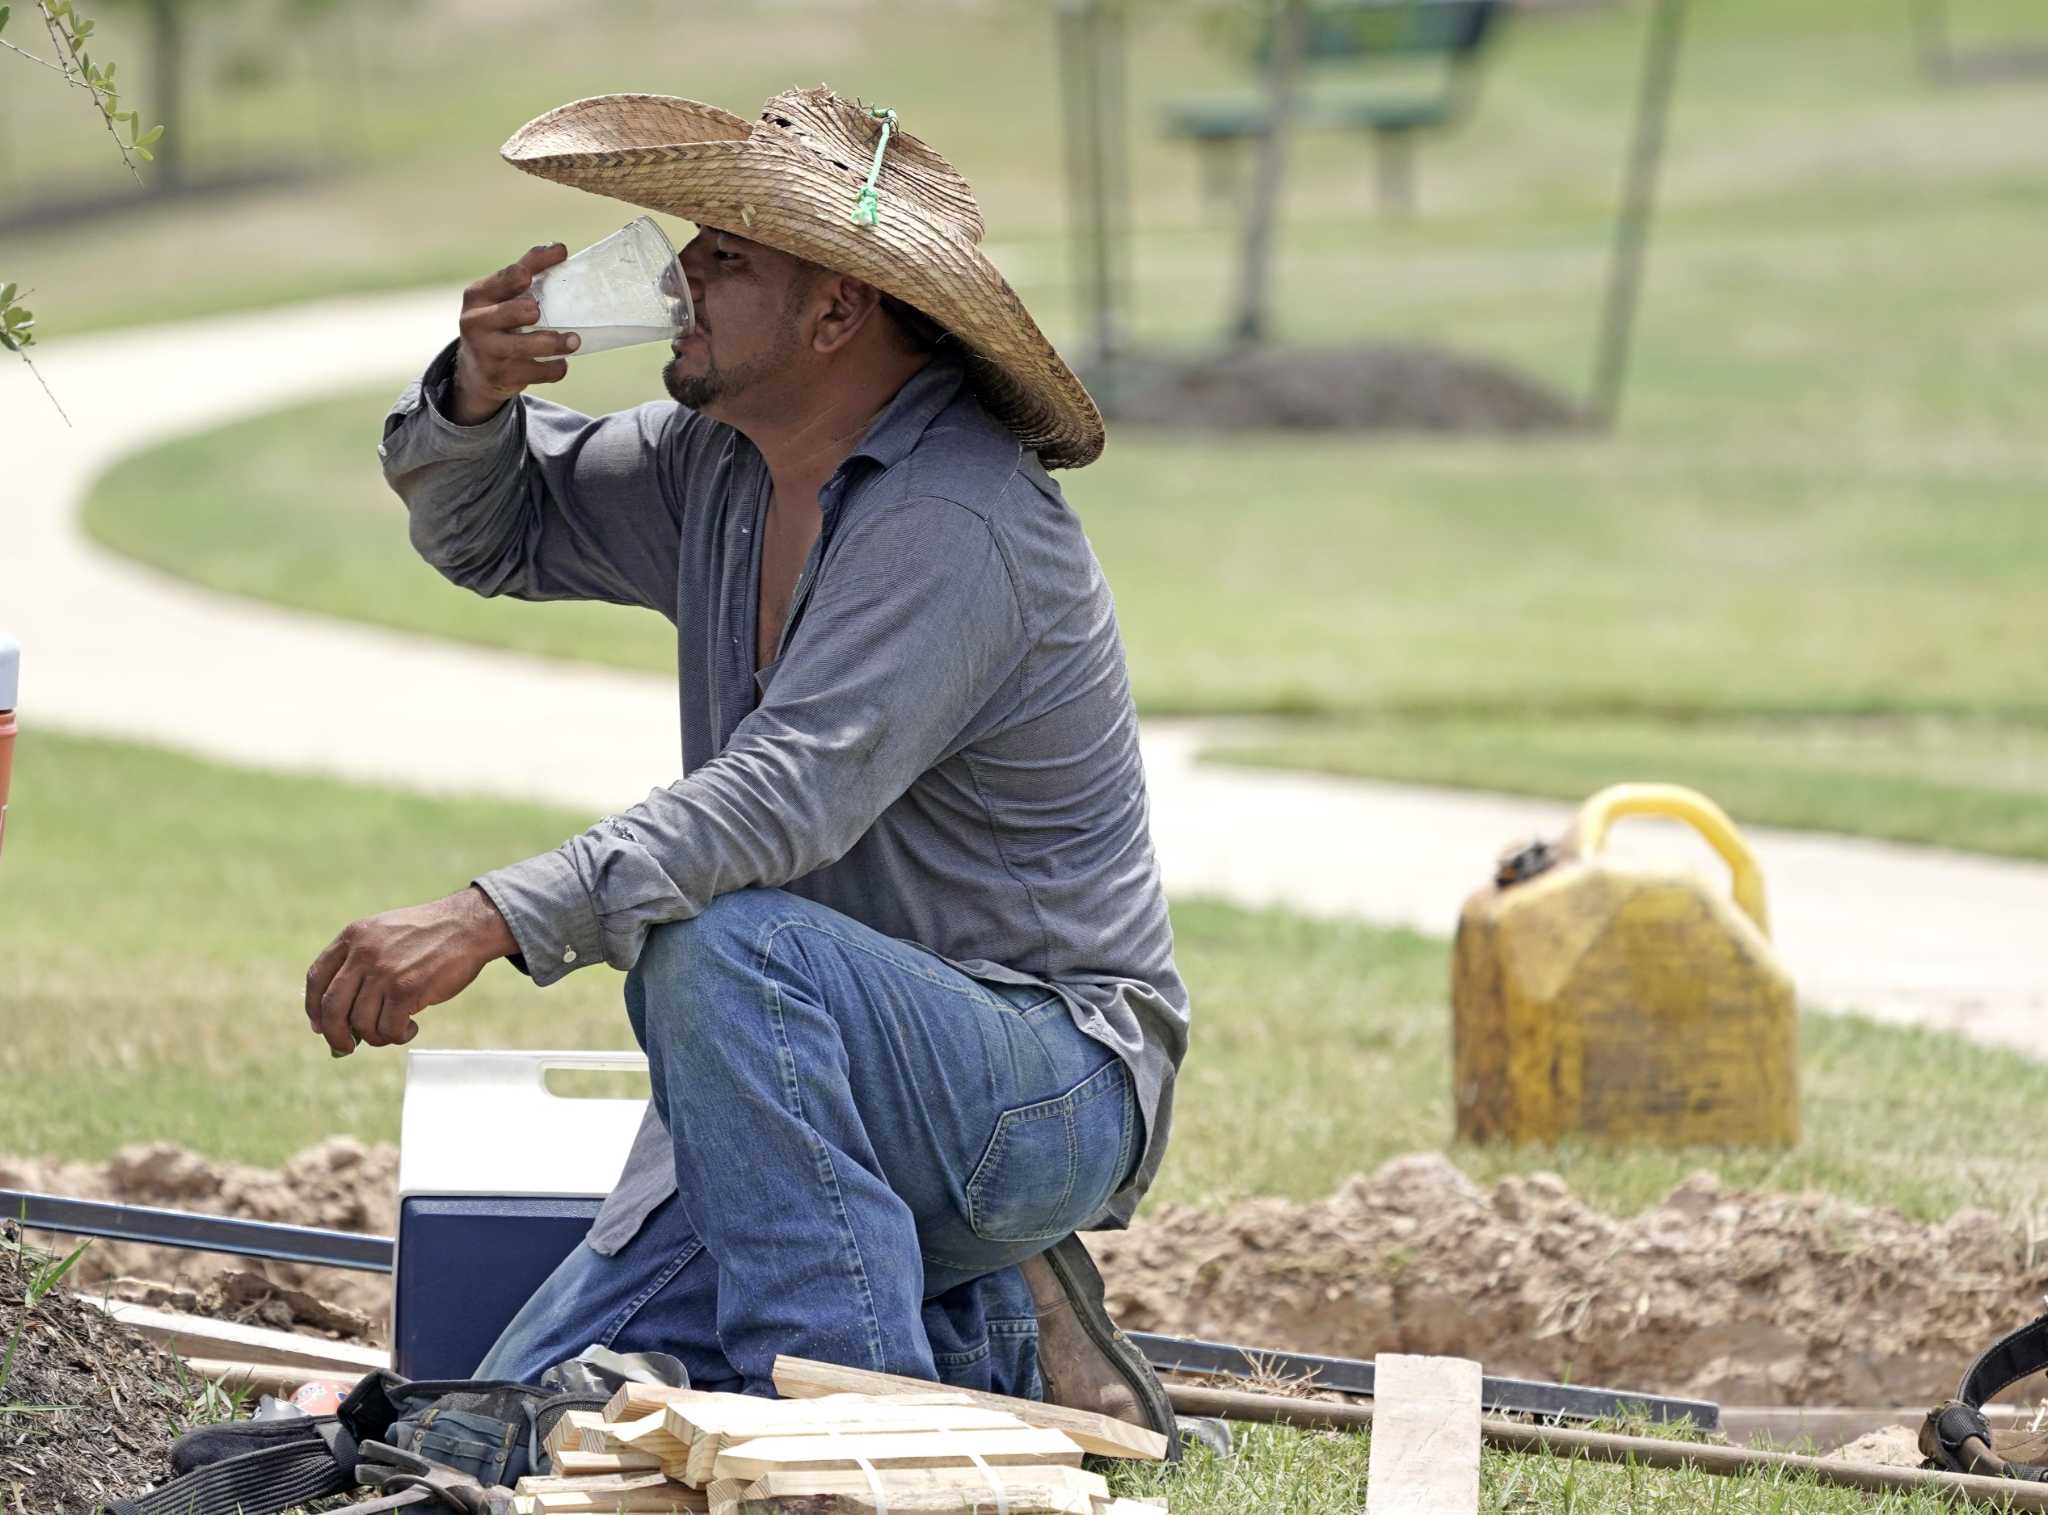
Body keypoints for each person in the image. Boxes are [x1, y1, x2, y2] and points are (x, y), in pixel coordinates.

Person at [303, 86, 1188, 1442]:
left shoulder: (958, 517)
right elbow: (504, 535)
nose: (678, 281)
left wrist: (489, 916)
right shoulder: (717, 464)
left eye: (725, 258)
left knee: (715, 949)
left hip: (1039, 1079)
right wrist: (475, 400)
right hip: (791, 1068)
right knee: (486, 1422)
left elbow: (783, 796)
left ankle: (855, 1440)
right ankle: (986, 1332)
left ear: (836, 310)